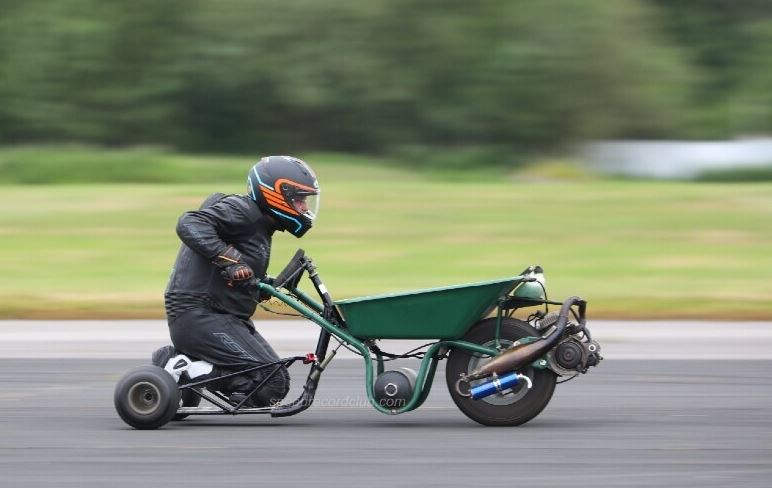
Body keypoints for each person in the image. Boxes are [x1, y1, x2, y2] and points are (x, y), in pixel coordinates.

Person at [153, 155, 320, 407]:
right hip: (200, 316)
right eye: (299, 200)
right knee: (270, 385)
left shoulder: (261, 224)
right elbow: (190, 222)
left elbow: (237, 273)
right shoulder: (243, 211)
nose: (305, 209)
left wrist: (261, 284)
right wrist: (231, 261)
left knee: (274, 385)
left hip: (222, 317)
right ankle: (182, 368)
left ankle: (182, 361)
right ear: (276, 194)